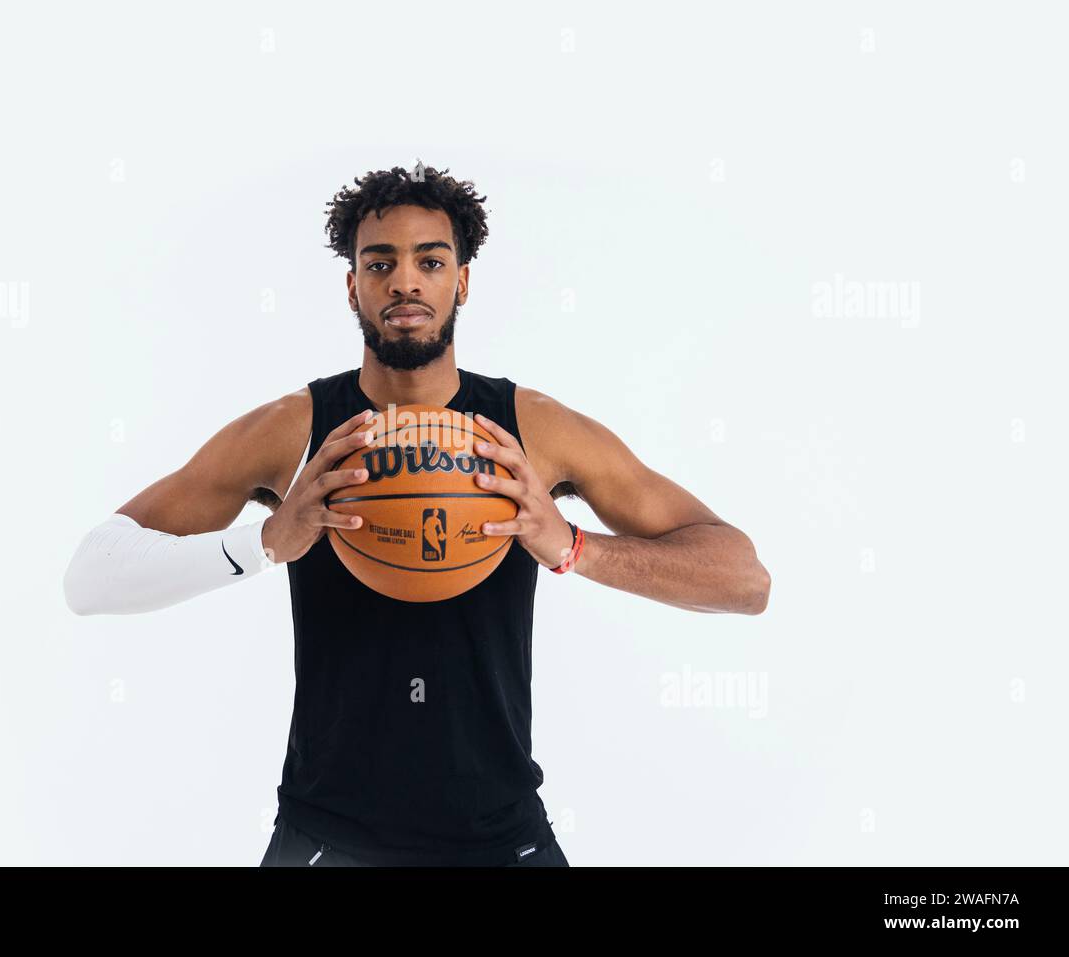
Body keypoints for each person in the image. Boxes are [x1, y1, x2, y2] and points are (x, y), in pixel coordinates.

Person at [63, 164, 771, 867]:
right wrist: (268, 542)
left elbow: (744, 580)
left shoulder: (533, 429)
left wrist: (572, 545)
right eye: (381, 263)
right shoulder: (296, 431)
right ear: (353, 287)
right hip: (326, 837)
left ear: (461, 281)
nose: (406, 281)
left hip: (503, 836)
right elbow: (90, 576)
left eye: (430, 260)